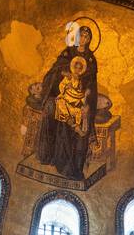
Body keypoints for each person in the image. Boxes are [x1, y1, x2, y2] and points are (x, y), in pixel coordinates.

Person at [36, 26, 98, 180]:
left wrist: (87, 98)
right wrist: (67, 74)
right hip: (63, 95)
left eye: (86, 37)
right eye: (81, 35)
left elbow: (91, 84)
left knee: (84, 120)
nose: (83, 39)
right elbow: (54, 72)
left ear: (89, 40)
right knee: (53, 109)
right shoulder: (68, 52)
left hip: (80, 98)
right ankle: (49, 155)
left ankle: (75, 167)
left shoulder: (90, 59)